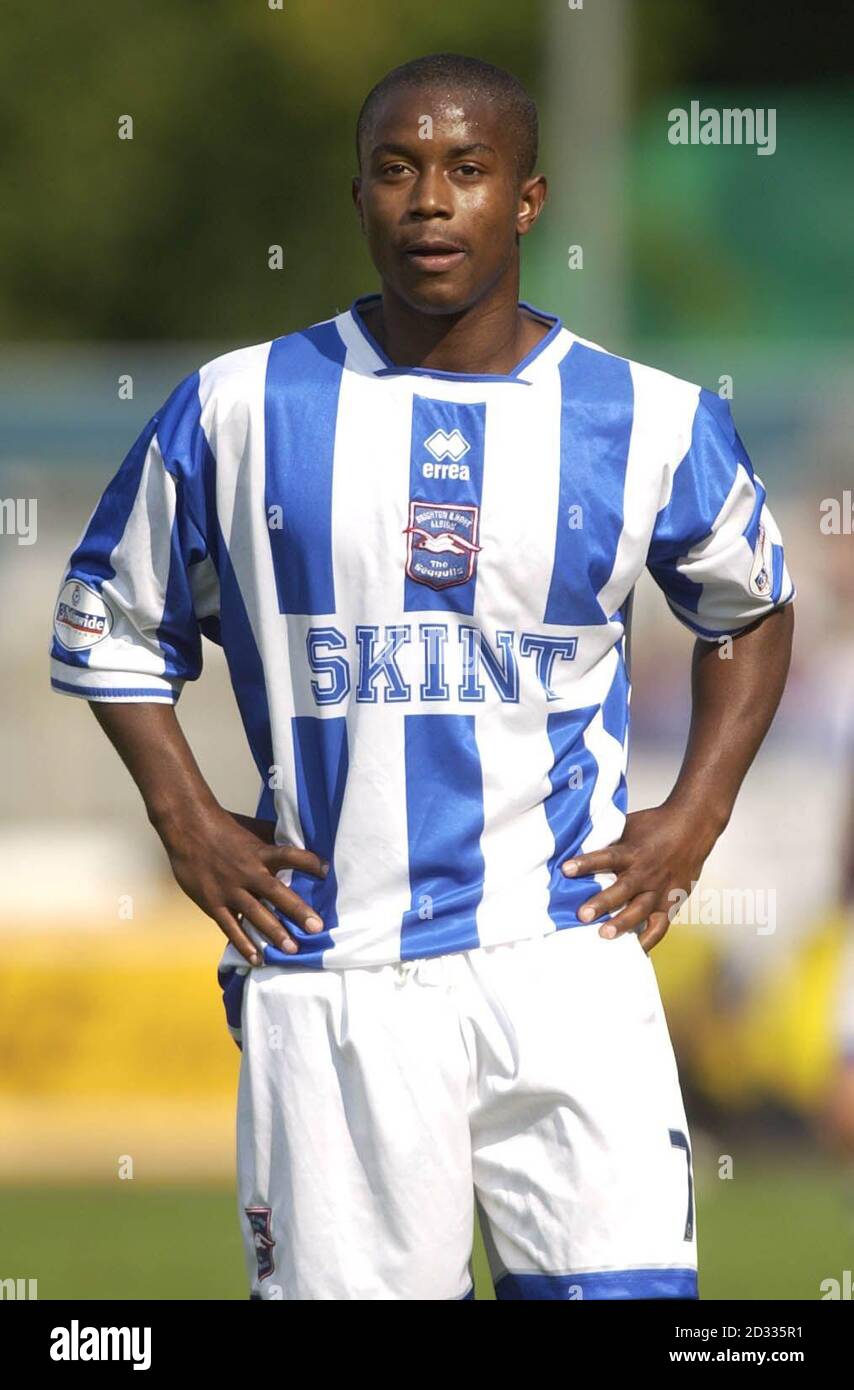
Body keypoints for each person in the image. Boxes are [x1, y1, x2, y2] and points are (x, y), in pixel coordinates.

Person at [49, 53, 795, 1300]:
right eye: (396, 170)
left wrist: (694, 814)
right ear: (358, 200)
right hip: (334, 968)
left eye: (465, 169)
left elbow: (750, 607)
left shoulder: (647, 417)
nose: (429, 200)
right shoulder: (236, 407)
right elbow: (108, 622)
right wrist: (183, 814)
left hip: (563, 954)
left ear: (527, 199)